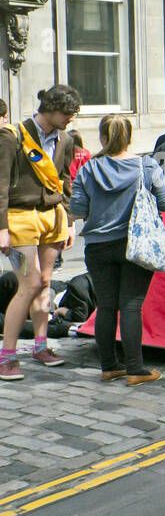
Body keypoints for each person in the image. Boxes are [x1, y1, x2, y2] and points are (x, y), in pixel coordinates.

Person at [69, 114, 165, 386]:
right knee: (131, 306)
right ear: (129, 137)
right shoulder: (147, 166)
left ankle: (109, 366)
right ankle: (135, 369)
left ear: (103, 137)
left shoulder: (88, 169)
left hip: (98, 247)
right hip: (136, 245)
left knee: (105, 306)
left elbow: (77, 210)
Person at [0, 84, 80, 379]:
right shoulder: (12, 136)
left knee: (46, 283)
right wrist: (1, 229)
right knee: (29, 284)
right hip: (19, 218)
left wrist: (69, 220)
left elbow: (65, 181)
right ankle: (6, 355)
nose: (71, 119)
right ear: (49, 109)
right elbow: (1, 186)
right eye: (67, 113)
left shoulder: (66, 139)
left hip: (52, 217)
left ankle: (40, 345)